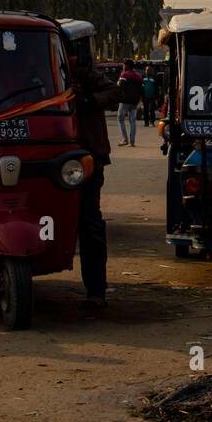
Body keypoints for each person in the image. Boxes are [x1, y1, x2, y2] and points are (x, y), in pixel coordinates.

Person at [70, 53, 120, 308]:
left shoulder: (79, 69)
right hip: (48, 154)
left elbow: (114, 92)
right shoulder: (32, 69)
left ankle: (96, 291)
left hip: (87, 156)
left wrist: (88, 101)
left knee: (89, 222)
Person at [116, 58, 143, 146]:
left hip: (125, 101)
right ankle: (132, 141)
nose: (123, 66)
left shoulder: (124, 75)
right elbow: (141, 89)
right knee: (132, 121)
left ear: (127, 66)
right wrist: (140, 100)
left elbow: (120, 87)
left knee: (120, 119)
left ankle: (125, 139)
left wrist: (118, 83)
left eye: (124, 65)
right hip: (134, 102)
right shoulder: (138, 76)